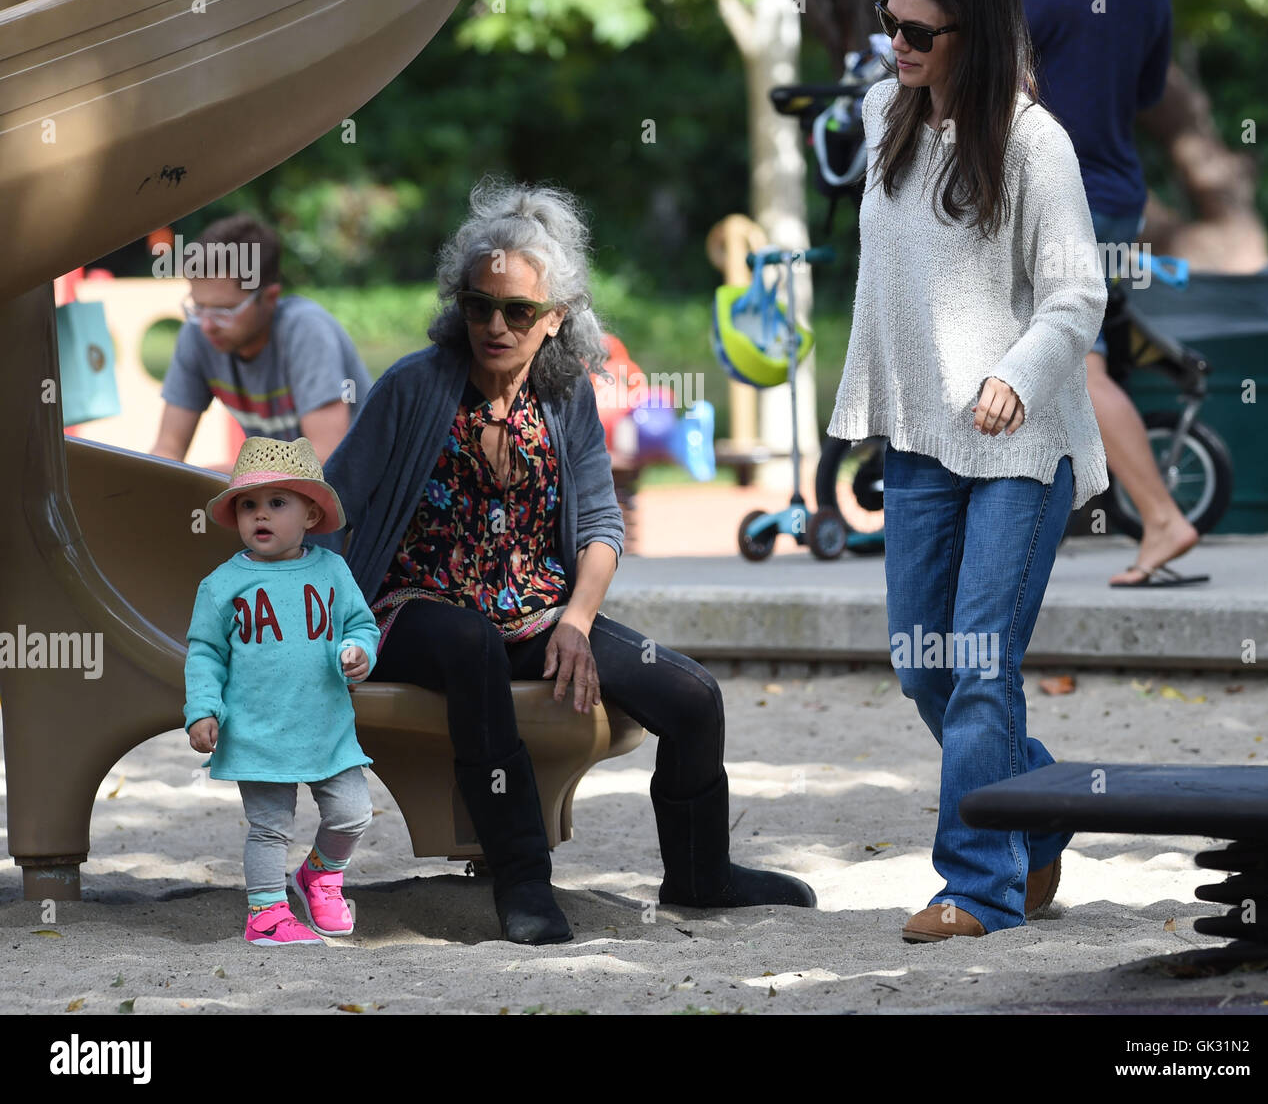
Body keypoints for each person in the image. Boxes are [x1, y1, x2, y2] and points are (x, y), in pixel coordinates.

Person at [320, 177, 817, 945]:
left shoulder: (567, 395)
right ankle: (522, 879)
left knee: (693, 696)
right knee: (473, 644)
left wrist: (577, 621)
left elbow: (600, 526)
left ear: (555, 319)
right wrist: (315, 618)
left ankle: (699, 873)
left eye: (518, 312)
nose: (494, 324)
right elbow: (332, 505)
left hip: (538, 606)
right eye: (477, 304)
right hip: (416, 607)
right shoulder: (412, 388)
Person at [828, 0, 1109, 942]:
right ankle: (1038, 805)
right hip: (917, 439)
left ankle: (976, 885)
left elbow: (1079, 293)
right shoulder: (881, 115)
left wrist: (1014, 373)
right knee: (923, 663)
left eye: (918, 31)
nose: (896, 46)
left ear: (973, 33)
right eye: (888, 24)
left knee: (979, 660)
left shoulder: (1035, 144)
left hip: (1020, 447)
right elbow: (889, 283)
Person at [1018, 0, 1200, 587]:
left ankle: (1161, 516)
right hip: (1121, 196)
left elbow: (996, 73)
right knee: (1061, 363)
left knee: (1078, 368)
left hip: (1069, 200)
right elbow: (1150, 89)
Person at [184, 436, 380, 946]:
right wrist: (202, 709)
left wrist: (359, 651)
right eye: (248, 505)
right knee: (270, 827)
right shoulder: (223, 584)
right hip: (258, 731)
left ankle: (320, 875)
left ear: (311, 514)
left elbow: (362, 624)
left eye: (277, 502)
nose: (260, 515)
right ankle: (266, 914)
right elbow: (205, 652)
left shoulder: (332, 571)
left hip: (327, 727)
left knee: (353, 812)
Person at [152, 213, 371, 467]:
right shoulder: (197, 333)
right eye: (198, 307)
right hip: (282, 498)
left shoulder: (306, 332)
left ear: (269, 297)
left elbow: (325, 460)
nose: (208, 325)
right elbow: (167, 449)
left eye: (225, 311)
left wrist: (210, 477)